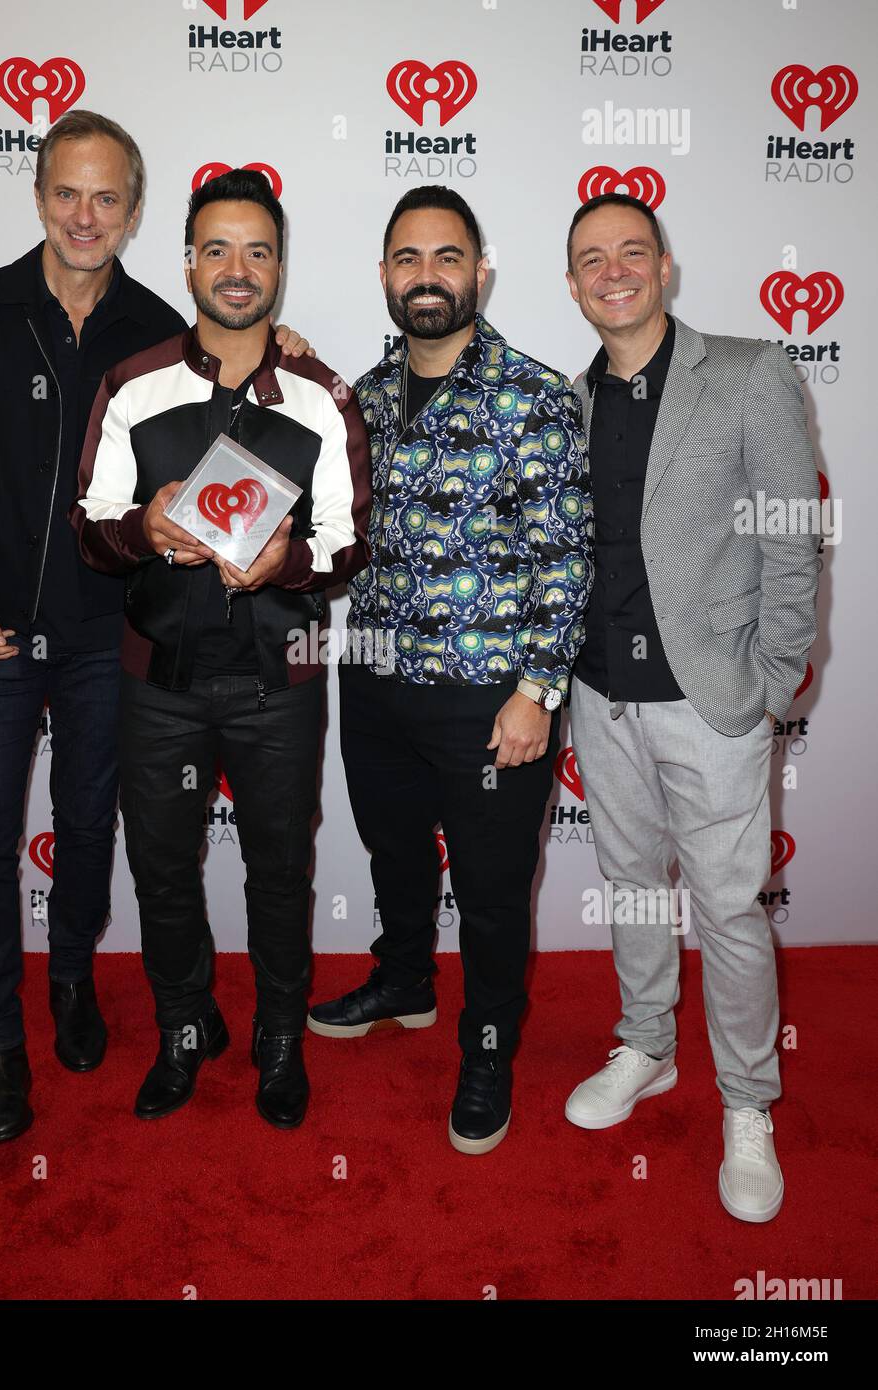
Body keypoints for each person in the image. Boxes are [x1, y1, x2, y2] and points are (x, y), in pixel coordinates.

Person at [0, 112, 311, 1146]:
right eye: (67, 194)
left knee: (86, 829)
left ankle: (72, 982)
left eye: (107, 197)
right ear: (39, 196)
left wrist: (285, 348)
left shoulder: (162, 331)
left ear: (132, 210)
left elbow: (245, 388)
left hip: (100, 640)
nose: (86, 215)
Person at [72, 169, 371, 1131]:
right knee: (162, 869)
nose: (236, 270)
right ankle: (183, 1029)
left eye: (257, 250)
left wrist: (288, 562)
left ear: (280, 266)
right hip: (156, 681)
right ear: (188, 259)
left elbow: (348, 541)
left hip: (278, 685)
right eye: (217, 249)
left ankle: (280, 1038)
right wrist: (143, 532)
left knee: (280, 869)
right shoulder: (133, 383)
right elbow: (91, 523)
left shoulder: (323, 395)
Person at [308, 186, 593, 1155]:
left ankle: (487, 1044)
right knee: (395, 855)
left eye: (445, 257)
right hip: (378, 677)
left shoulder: (536, 394)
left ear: (480, 272)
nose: (425, 276)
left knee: (491, 885)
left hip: (488, 694)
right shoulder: (360, 396)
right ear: (384, 275)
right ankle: (406, 981)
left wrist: (537, 691)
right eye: (407, 259)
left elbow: (566, 556)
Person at [561, 193, 820, 1223]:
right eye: (592, 259)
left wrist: (774, 679)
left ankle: (749, 1102)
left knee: (729, 910)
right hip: (602, 698)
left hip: (711, 698)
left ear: (666, 267)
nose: (613, 270)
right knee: (630, 885)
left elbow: (793, 533)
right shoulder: (569, 399)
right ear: (572, 284)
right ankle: (649, 1044)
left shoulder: (751, 373)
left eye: (633, 252)